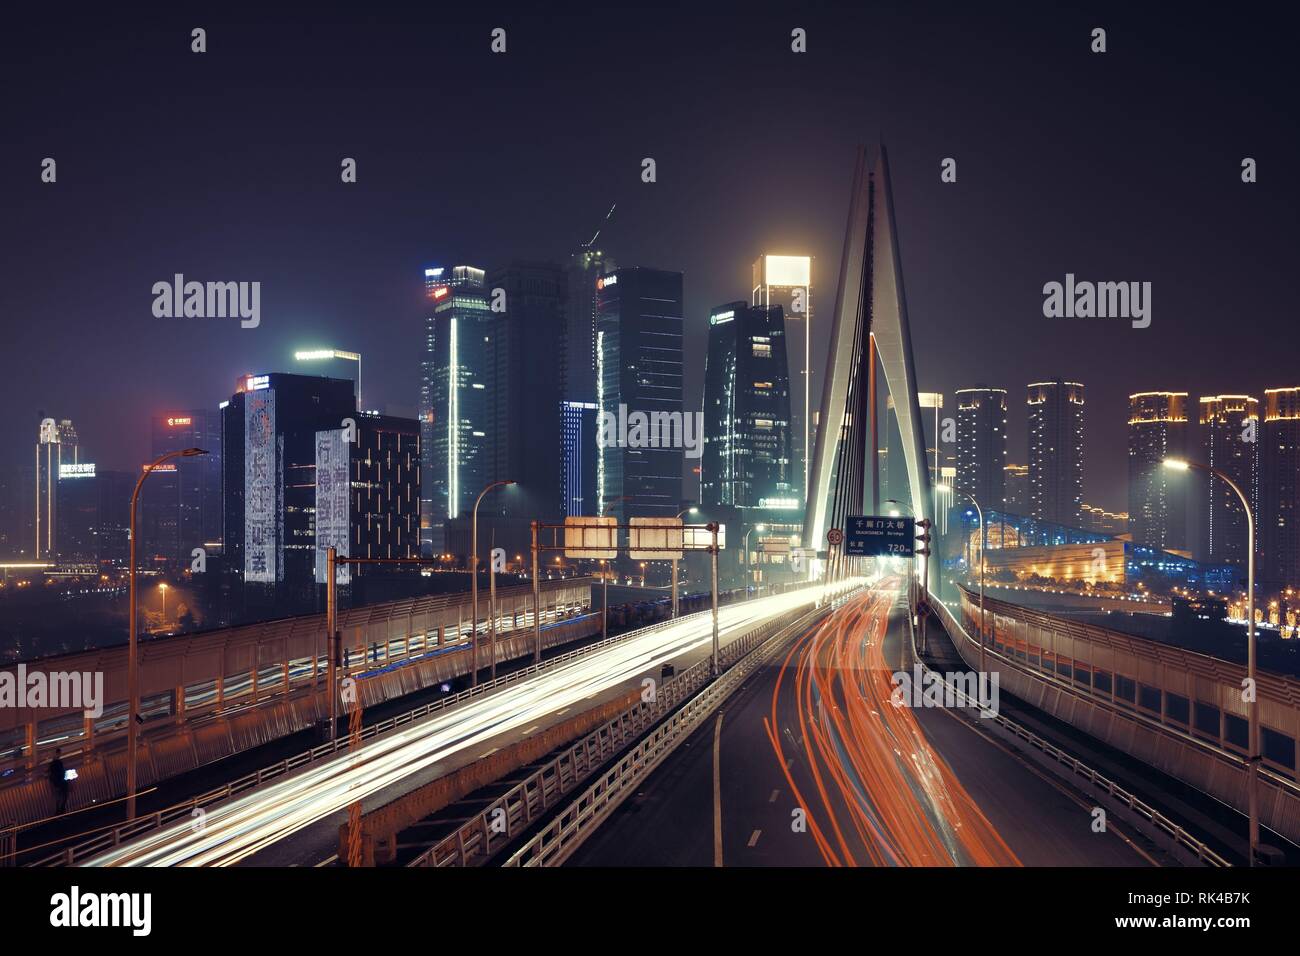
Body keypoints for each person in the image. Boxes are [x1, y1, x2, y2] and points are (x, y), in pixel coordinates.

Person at [48, 749, 69, 814]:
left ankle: (58, 812)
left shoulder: (52, 763)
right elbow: (60, 772)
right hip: (60, 782)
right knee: (63, 796)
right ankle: (61, 811)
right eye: (59, 753)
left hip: (56, 783)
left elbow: (52, 773)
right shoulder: (58, 763)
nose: (60, 755)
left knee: (59, 797)